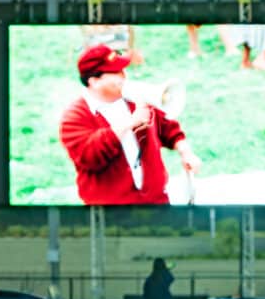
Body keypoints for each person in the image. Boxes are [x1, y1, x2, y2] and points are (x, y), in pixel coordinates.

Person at [59, 44, 202, 205]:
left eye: (122, 69)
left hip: (156, 201)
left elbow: (167, 128)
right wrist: (130, 122)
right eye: (115, 72)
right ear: (94, 82)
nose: (123, 75)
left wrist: (185, 152)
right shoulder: (74, 117)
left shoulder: (134, 97)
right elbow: (90, 156)